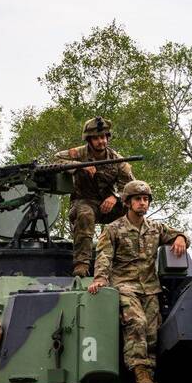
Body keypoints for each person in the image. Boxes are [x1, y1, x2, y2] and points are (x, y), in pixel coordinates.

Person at [88, 180, 188, 383]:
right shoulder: (113, 229)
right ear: (127, 202)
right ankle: (140, 375)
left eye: (145, 199)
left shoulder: (155, 228)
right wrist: (100, 279)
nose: (143, 203)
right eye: (138, 199)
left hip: (151, 288)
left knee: (152, 334)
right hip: (125, 286)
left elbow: (177, 234)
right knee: (137, 323)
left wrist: (180, 238)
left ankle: (148, 378)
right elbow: (104, 256)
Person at [53, 116, 133, 277]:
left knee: (131, 210)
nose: (100, 141)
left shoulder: (118, 160)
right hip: (83, 201)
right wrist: (78, 166)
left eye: (103, 137)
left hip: (108, 203)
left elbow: (131, 188)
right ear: (89, 140)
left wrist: (115, 197)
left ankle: (128, 259)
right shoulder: (79, 153)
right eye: (96, 138)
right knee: (85, 214)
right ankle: (82, 264)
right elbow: (56, 159)